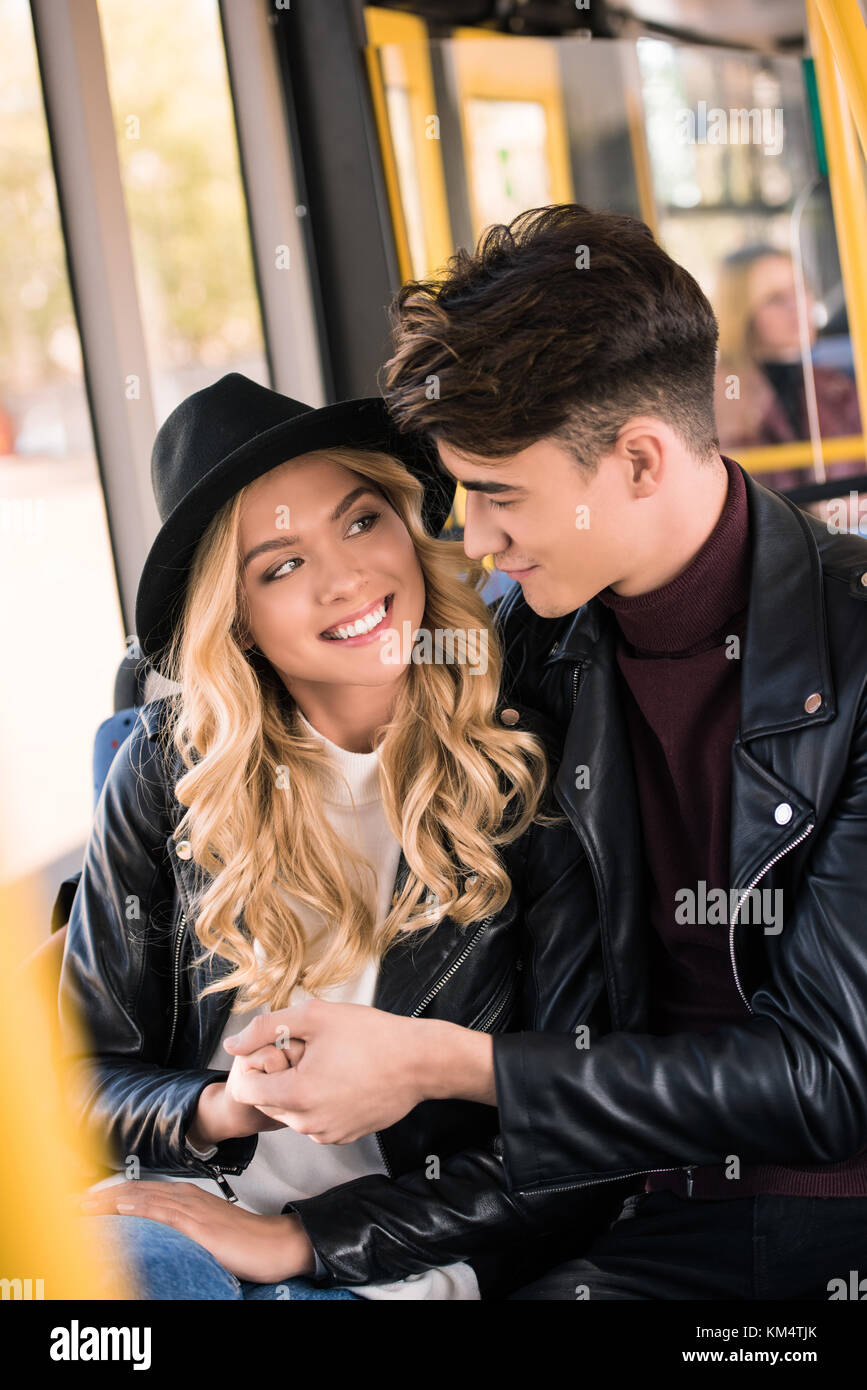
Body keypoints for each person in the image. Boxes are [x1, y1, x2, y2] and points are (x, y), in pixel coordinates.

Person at [222, 206, 867, 1300]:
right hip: (584, 1199)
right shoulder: (532, 645)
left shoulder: (852, 648)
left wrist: (435, 1064)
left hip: (813, 1214)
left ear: (640, 461)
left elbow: (824, 1082)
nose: (470, 539)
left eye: (499, 493)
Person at [60, 372, 634, 1300]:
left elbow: (579, 1135)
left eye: (361, 521)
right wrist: (217, 1109)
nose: (347, 579)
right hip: (175, 1239)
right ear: (235, 622)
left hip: (388, 1265)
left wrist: (296, 1243)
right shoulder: (165, 772)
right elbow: (84, 1084)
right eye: (280, 565)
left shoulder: (532, 773)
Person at [713, 243, 863, 495]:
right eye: (775, 299)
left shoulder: (832, 383)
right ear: (743, 314)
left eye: (801, 290)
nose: (798, 307)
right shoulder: (725, 393)